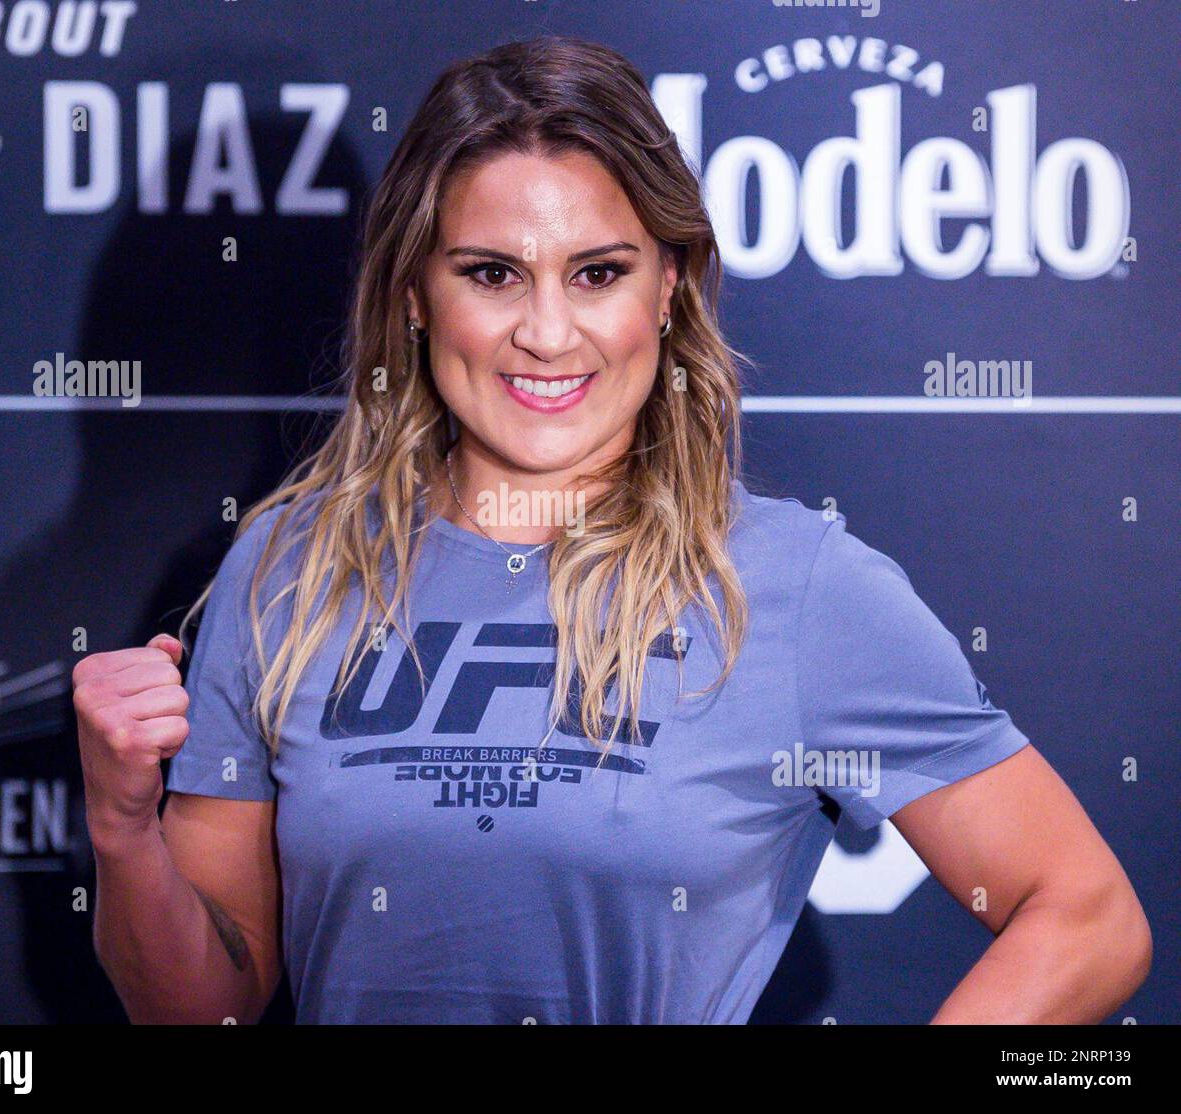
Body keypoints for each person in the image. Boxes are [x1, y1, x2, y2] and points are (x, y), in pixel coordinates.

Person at [72, 35, 1151, 1024]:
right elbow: (200, 1010)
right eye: (491, 273)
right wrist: (123, 831)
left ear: (669, 286)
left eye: (598, 272)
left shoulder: (792, 583)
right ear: (413, 295)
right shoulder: (289, 569)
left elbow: (1087, 916)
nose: (547, 332)